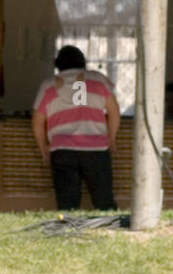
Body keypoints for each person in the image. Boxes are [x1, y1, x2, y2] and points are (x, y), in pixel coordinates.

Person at [32, 45, 120, 210]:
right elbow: (114, 111)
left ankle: (67, 232)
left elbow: (37, 121)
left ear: (58, 64)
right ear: (82, 62)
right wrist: (111, 138)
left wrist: (43, 147)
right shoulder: (98, 79)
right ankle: (111, 230)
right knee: (104, 202)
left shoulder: (48, 85)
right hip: (96, 150)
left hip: (62, 150)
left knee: (67, 204)